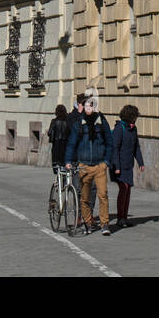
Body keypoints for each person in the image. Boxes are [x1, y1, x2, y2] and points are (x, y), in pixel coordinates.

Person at [65, 90, 113, 235]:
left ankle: (105, 224)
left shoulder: (101, 122)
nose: (89, 108)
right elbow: (72, 143)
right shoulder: (79, 124)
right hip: (84, 165)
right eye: (87, 105)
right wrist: (68, 161)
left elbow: (110, 142)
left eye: (91, 105)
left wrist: (106, 162)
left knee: (103, 195)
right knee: (84, 197)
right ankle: (88, 222)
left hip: (99, 165)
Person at [110, 104, 146, 229]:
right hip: (118, 165)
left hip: (128, 165)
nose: (136, 119)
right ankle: (120, 218)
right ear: (130, 117)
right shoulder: (120, 128)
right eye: (135, 117)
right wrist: (117, 166)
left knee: (128, 190)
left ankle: (124, 217)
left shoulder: (133, 129)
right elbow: (114, 148)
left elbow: (136, 147)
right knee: (123, 189)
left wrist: (141, 162)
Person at [46, 105, 69, 175]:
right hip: (65, 147)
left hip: (56, 147)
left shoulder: (54, 121)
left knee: (57, 167)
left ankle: (58, 182)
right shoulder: (68, 121)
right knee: (65, 167)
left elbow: (49, 132)